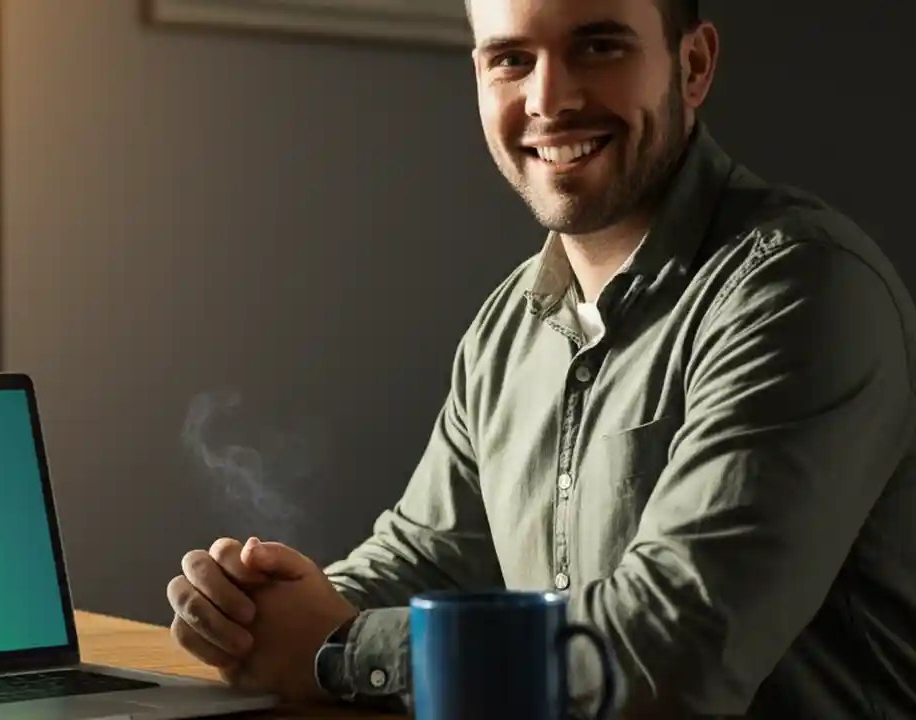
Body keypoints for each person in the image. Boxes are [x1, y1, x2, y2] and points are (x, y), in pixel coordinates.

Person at [165, 0, 916, 716]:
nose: (549, 99)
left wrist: (337, 649)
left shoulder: (802, 291)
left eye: (598, 46)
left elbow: (675, 652)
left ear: (693, 66)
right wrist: (256, 610)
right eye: (511, 59)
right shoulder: (509, 328)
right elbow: (425, 563)